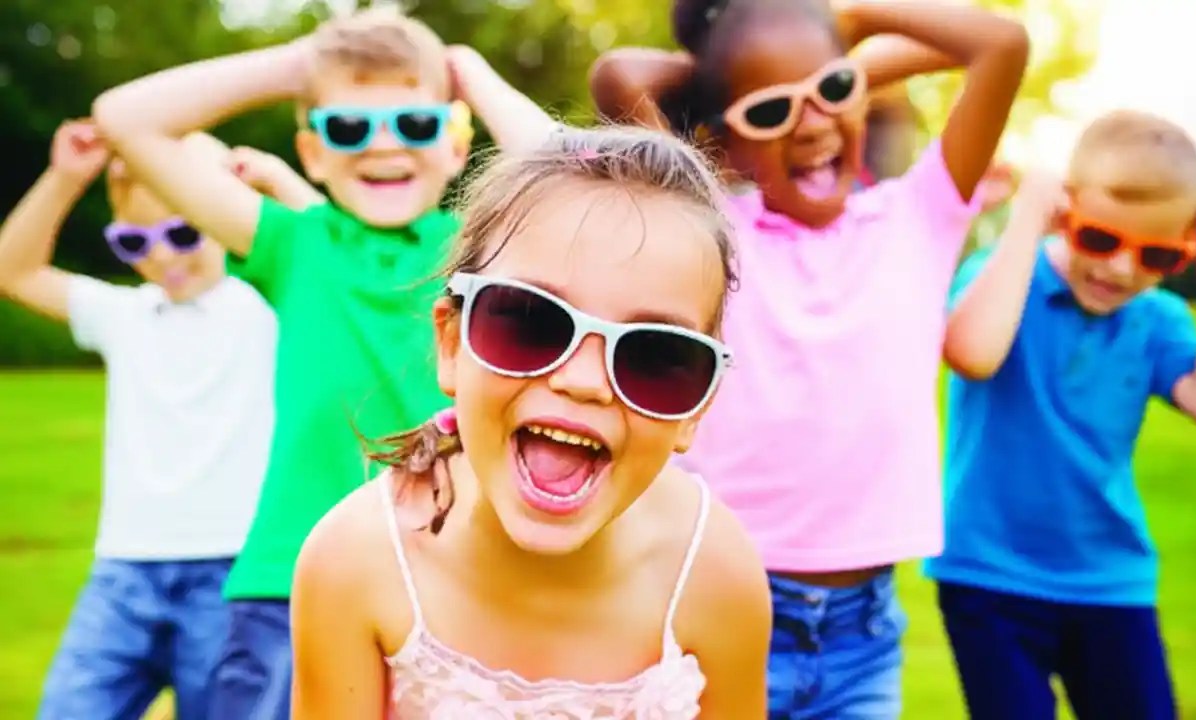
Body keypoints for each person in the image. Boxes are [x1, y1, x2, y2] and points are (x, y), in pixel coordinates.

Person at [91, 6, 556, 718]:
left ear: (456, 145)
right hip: (290, 580)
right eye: (348, 127)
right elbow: (125, 117)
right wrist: (296, 65)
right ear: (311, 152)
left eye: (416, 123)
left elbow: (568, 177)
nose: (382, 146)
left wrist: (473, 75)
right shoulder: (293, 243)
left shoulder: (474, 249)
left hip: (448, 578)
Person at [590, 1, 1028, 716]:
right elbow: (619, 76)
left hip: (864, 635)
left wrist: (846, 27)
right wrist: (752, 65)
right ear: (724, 141)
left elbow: (1001, 43)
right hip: (714, 605)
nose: (813, 123)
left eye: (832, 92)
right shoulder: (712, 227)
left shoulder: (921, 214)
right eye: (770, 112)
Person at [290, 125, 772, 719]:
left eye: (654, 356)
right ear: (451, 343)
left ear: (695, 409)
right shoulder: (355, 561)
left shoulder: (716, 573)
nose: (583, 380)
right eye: (529, 322)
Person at [925, 110, 1196, 720]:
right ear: (1065, 210)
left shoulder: (1155, 319)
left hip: (1109, 580)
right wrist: (1025, 217)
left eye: (1159, 254)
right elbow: (972, 354)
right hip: (989, 577)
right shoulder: (1004, 281)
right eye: (1100, 239)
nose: (1121, 269)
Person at [0, 120, 300, 720]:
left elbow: (336, 255)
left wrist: (258, 184)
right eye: (134, 244)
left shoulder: (271, 304)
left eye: (184, 233)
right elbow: (14, 271)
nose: (162, 257)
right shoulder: (125, 314)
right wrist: (65, 179)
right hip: (124, 571)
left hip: (235, 573)